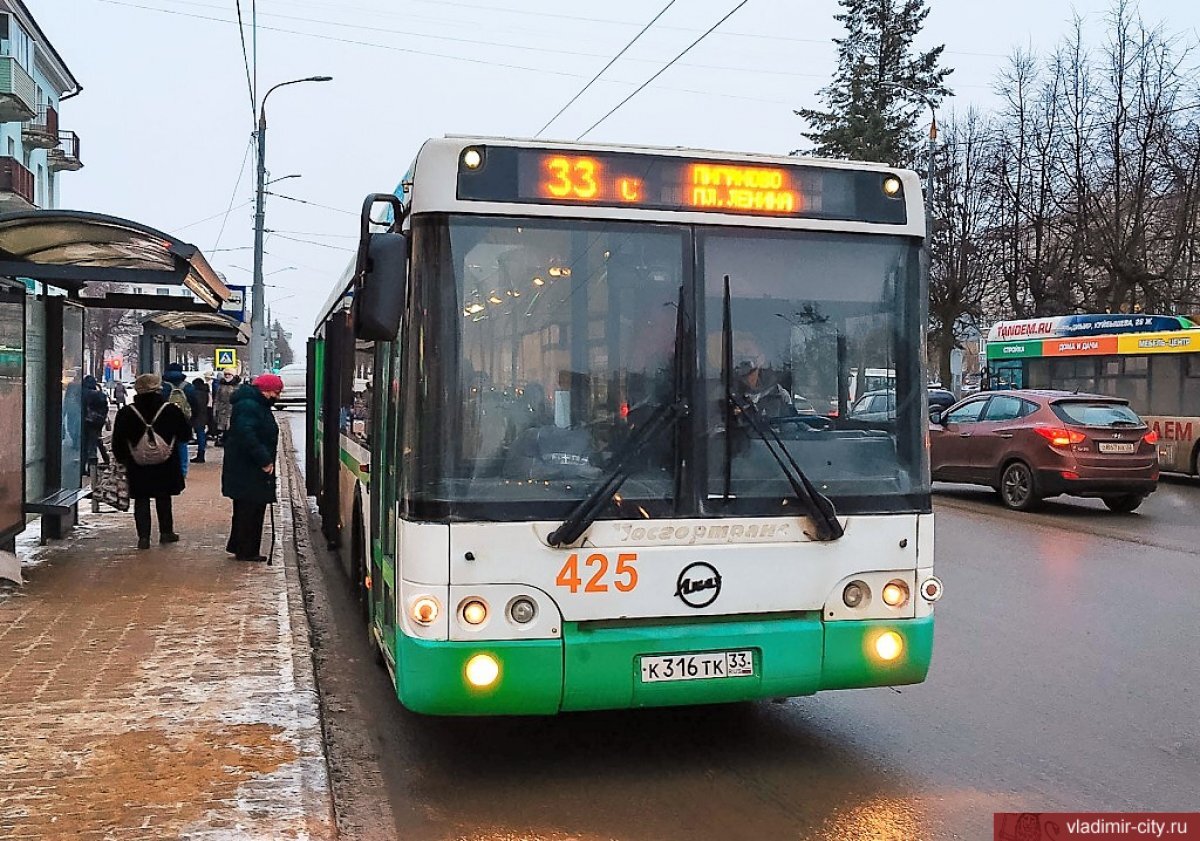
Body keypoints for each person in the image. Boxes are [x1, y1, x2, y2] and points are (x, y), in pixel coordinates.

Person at [111, 372, 193, 550]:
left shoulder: (127, 412)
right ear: (158, 389)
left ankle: (143, 538)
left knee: (141, 499)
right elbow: (185, 435)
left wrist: (124, 458)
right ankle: (166, 532)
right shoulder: (171, 410)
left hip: (137, 464)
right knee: (163, 497)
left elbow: (117, 441)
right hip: (166, 463)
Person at [221, 373, 281, 562]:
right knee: (250, 508)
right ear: (265, 391)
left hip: (245, 466)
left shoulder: (253, 404)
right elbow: (247, 435)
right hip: (249, 467)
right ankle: (246, 550)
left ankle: (241, 546)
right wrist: (264, 460)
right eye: (275, 392)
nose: (277, 397)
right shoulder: (250, 406)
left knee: (246, 507)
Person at [161, 363, 197, 476]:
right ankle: (183, 470)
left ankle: (167, 470)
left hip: (166, 418)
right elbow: (194, 403)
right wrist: (192, 417)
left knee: (165, 444)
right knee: (182, 444)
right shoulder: (188, 386)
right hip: (183, 419)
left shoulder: (163, 386)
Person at [81, 374, 110, 475]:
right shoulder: (100, 395)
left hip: (83, 423)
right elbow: (105, 409)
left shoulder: (81, 394)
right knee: (93, 444)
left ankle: (82, 469)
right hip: (96, 423)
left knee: (83, 446)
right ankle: (92, 468)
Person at [212, 369, 241, 446]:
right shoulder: (221, 386)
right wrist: (215, 409)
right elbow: (217, 398)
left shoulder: (237, 386)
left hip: (233, 409)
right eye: (225, 374)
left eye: (229, 374)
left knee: (231, 426)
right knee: (222, 427)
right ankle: (223, 440)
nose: (227, 376)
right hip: (222, 410)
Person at [190, 376, 211, 463]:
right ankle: (201, 453)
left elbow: (194, 405)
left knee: (199, 434)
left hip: (196, 415)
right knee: (201, 434)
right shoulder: (205, 392)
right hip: (203, 414)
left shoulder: (195, 393)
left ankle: (200, 455)